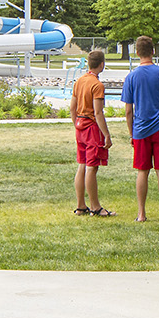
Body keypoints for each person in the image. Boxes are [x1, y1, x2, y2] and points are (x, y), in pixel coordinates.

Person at [120, 35, 159, 222]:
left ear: (137, 53)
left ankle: (141, 213)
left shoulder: (131, 77)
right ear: (153, 51)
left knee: (142, 171)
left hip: (141, 129)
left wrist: (131, 133)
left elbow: (128, 111)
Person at [71, 50, 114, 216]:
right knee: (91, 168)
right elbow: (98, 112)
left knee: (82, 165)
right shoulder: (97, 85)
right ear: (101, 64)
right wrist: (107, 135)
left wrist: (76, 123)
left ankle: (81, 206)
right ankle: (95, 207)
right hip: (91, 129)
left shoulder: (79, 81)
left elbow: (72, 108)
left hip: (80, 127)